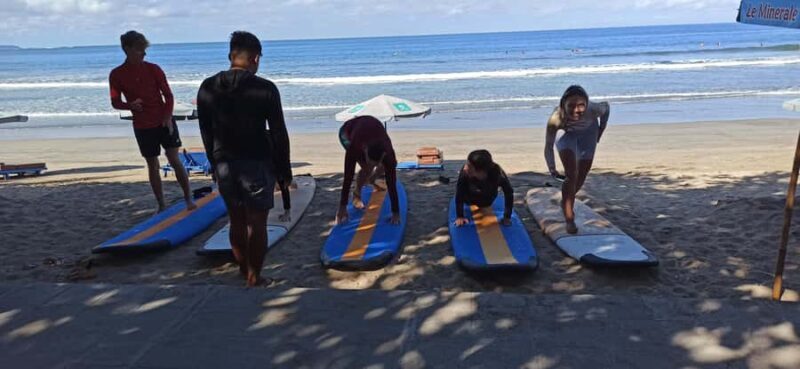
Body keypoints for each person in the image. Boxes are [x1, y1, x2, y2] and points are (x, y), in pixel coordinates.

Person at [197, 31, 292, 287]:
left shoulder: (207, 87)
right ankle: (254, 277)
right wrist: (284, 171)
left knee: (236, 221)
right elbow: (279, 132)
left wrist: (213, 162)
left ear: (231, 55)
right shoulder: (265, 88)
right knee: (257, 223)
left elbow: (206, 131)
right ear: (256, 58)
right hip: (256, 162)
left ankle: (243, 271)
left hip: (224, 163)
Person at [109, 30, 195, 213]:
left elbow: (168, 96)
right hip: (142, 125)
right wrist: (130, 105)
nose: (144, 53)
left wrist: (167, 117)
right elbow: (115, 102)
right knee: (152, 164)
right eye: (139, 49)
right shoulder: (117, 74)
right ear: (127, 49)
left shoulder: (154, 69)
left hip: (164, 121)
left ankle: (189, 198)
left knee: (174, 159)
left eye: (144, 49)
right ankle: (161, 204)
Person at [544, 85, 610, 234]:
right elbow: (548, 146)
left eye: (581, 105)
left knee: (581, 175)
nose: (576, 110)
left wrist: (601, 129)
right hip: (566, 134)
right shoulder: (556, 119)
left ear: (587, 103)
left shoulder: (594, 109)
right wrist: (552, 167)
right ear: (563, 104)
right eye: (571, 106)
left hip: (589, 132)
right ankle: (569, 217)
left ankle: (566, 200)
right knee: (571, 175)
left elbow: (606, 107)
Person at [336, 116, 400, 225]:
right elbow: (348, 175)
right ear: (365, 150)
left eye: (376, 163)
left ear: (383, 154)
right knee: (366, 168)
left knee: (390, 164)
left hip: (370, 129)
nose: (373, 166)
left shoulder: (388, 150)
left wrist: (396, 212)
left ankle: (372, 179)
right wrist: (342, 207)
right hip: (347, 131)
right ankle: (356, 195)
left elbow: (391, 180)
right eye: (371, 162)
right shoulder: (355, 146)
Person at [453, 150, 513, 227]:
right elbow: (459, 193)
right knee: (466, 194)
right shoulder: (465, 172)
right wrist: (460, 216)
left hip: (487, 199)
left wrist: (507, 217)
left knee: (485, 204)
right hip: (469, 199)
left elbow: (509, 193)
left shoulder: (497, 174)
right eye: (466, 164)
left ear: (481, 170)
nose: (465, 168)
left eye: (469, 166)